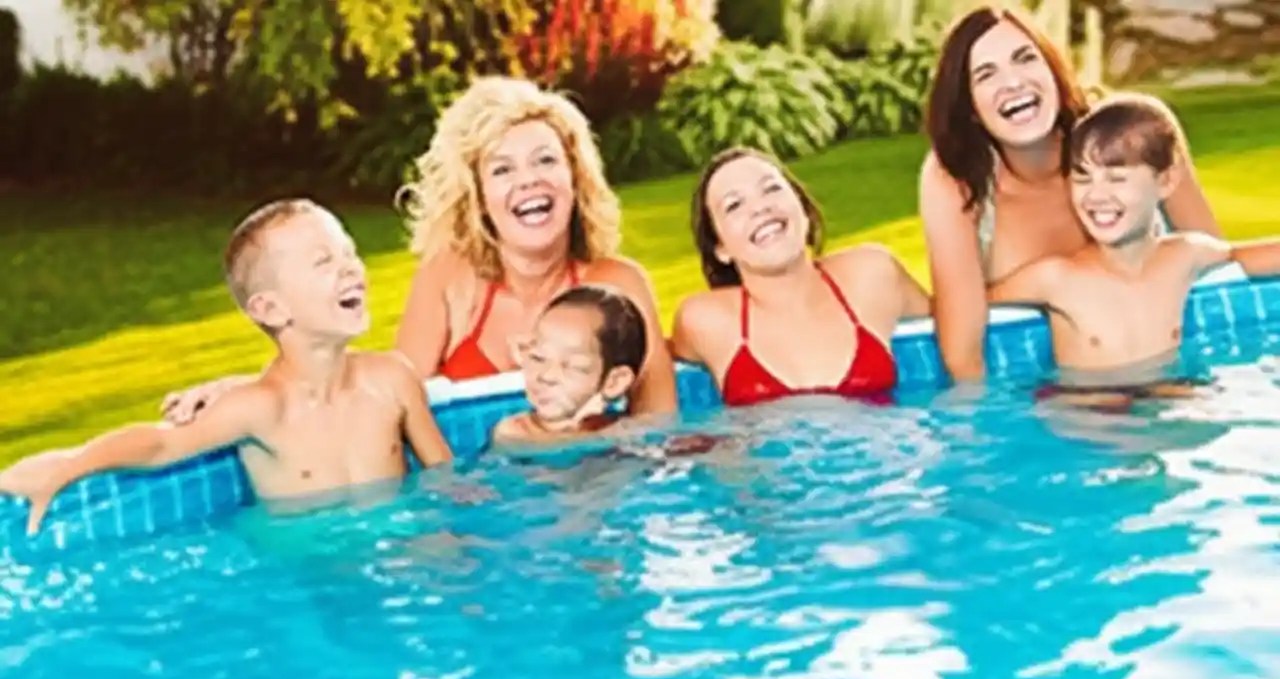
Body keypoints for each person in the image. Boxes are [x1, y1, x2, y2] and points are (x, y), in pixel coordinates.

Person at [159, 76, 677, 423]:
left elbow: (659, 424)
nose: (529, 182)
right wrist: (247, 390)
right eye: (502, 169)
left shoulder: (618, 285)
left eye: (545, 161)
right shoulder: (450, 279)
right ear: (476, 196)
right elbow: (379, 392)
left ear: (575, 178)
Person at [0, 199, 453, 535]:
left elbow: (448, 481)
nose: (351, 268)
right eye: (324, 261)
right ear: (271, 308)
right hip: (315, 582)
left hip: (400, 560)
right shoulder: (260, 409)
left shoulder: (393, 379)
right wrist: (70, 467)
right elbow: (159, 445)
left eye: (349, 252)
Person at [920, 5, 1221, 382]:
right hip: (1055, 401)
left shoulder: (1131, 133)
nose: (1013, 82)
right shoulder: (956, 177)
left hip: (1167, 374)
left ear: (1053, 69)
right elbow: (962, 353)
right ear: (972, 111)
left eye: (1025, 58)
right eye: (986, 74)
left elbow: (1220, 280)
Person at [988, 93, 1280, 408]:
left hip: (1163, 386)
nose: (1097, 195)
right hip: (1086, 401)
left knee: (1209, 409)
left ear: (1165, 181)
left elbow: (1240, 257)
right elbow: (968, 306)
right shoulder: (1057, 278)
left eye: (1116, 178)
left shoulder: (1183, 255)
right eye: (1083, 178)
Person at [670, 146, 931, 407]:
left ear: (803, 209)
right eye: (734, 205)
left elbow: (958, 332)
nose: (760, 208)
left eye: (771, 188)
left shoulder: (871, 275)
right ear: (720, 248)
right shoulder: (705, 321)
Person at [491, 284, 647, 446]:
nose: (546, 376)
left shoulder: (621, 435)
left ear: (614, 382)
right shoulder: (515, 431)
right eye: (537, 358)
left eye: (573, 366)